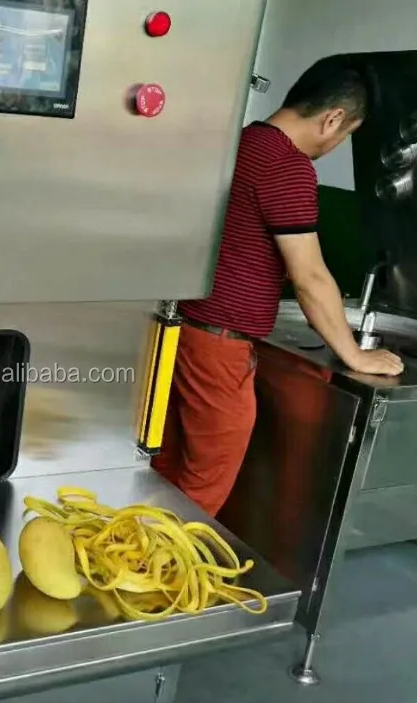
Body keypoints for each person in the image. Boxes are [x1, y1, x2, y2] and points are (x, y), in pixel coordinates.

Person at [150, 57, 404, 519]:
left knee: (164, 469)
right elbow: (310, 277)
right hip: (218, 348)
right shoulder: (289, 167)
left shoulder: (241, 141)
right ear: (332, 119)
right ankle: (166, 583)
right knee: (204, 488)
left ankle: (130, 563)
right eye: (346, 134)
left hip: (178, 328)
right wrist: (354, 354)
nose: (339, 143)